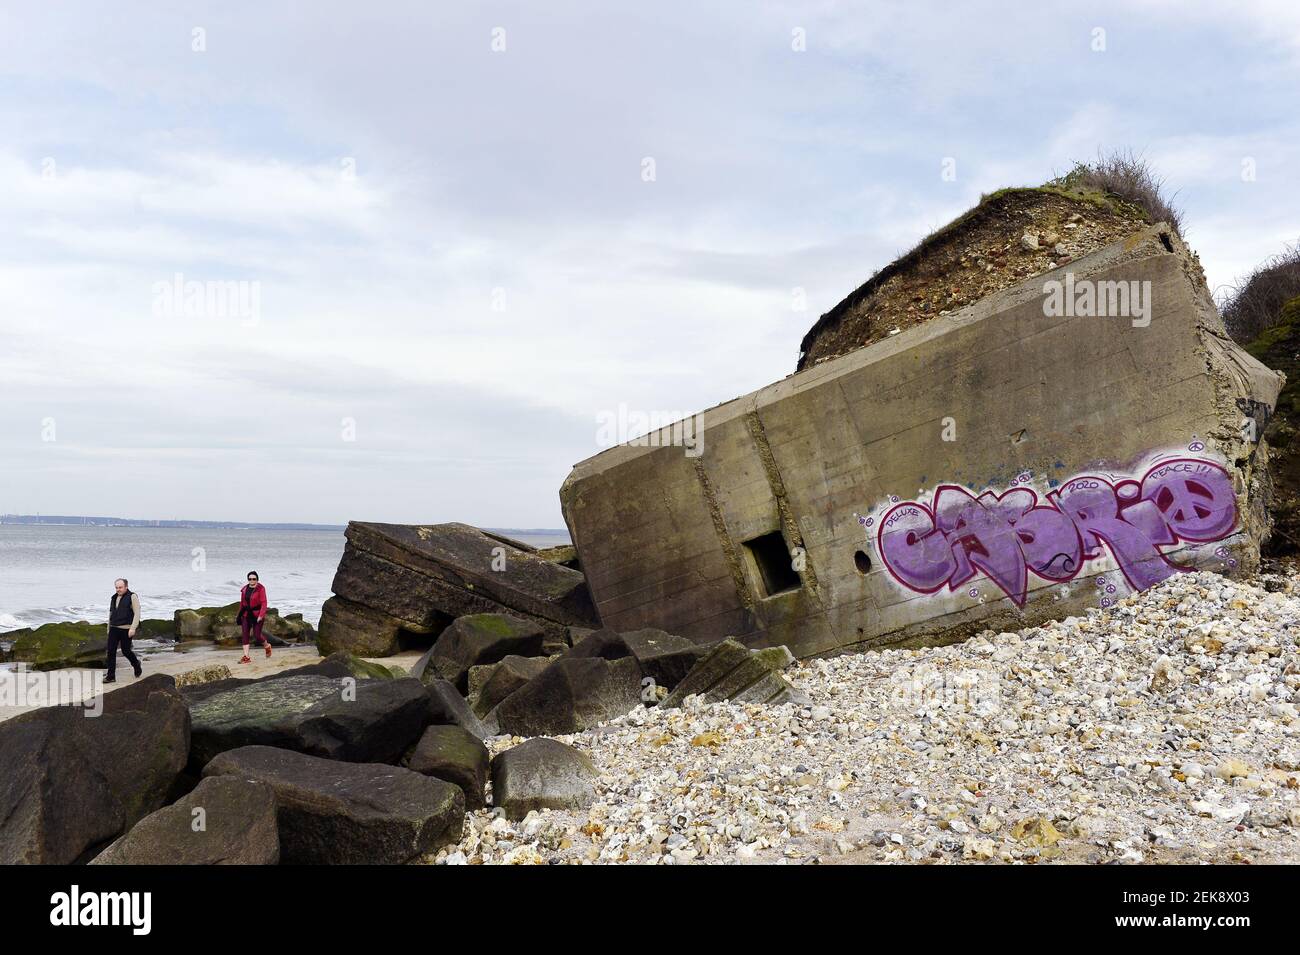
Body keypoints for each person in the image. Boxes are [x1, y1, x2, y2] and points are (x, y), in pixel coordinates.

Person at [106, 578, 143, 684]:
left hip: (126, 629)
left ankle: (136, 664)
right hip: (114, 628)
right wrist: (108, 628)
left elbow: (137, 613)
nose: (118, 589)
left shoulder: (132, 596)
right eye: (116, 587)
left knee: (126, 651)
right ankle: (111, 676)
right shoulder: (113, 598)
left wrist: (133, 628)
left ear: (126, 587)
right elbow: (111, 614)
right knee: (111, 651)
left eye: (120, 587)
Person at [237, 571, 271, 664]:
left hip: (256, 615)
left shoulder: (261, 588)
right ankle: (246, 657)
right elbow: (242, 603)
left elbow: (264, 603)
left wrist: (261, 615)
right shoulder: (244, 589)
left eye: (254, 579)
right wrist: (239, 615)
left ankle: (267, 646)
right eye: (250, 579)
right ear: (248, 580)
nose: (252, 580)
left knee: (257, 635)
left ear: (257, 579)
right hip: (246, 615)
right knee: (245, 635)